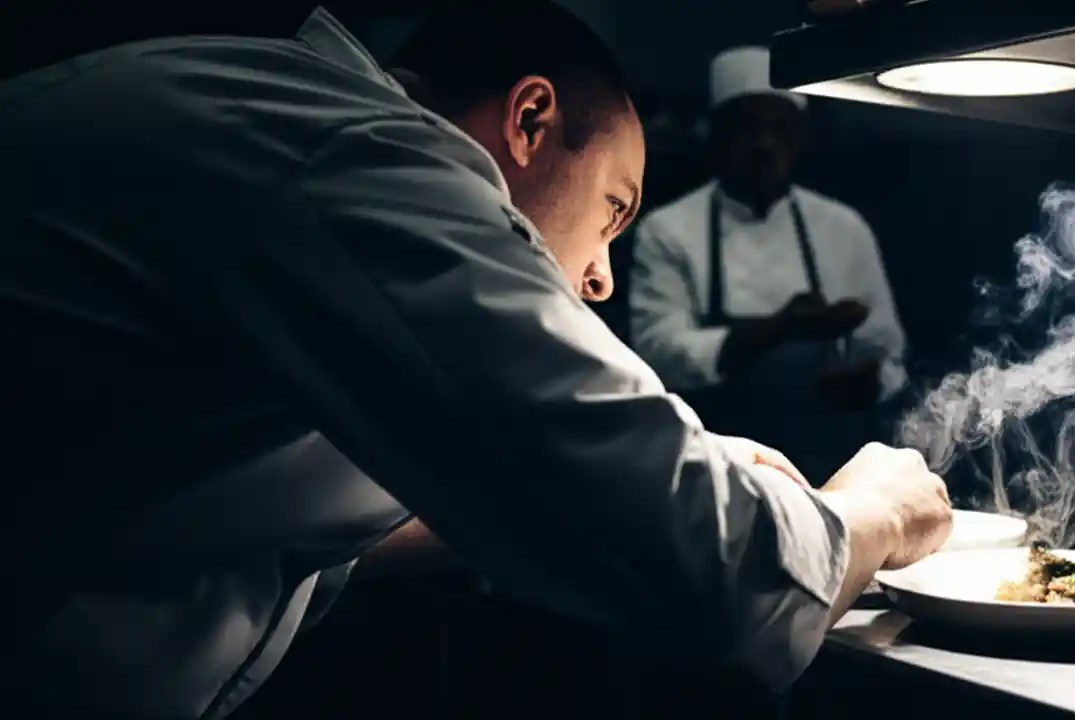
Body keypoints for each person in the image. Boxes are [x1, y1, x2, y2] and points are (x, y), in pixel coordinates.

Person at [2, 4, 951, 718]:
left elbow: (244, 492)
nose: (599, 278)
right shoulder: (364, 152)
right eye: (613, 212)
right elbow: (708, 577)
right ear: (529, 121)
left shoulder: (281, 131)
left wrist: (567, 491)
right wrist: (870, 511)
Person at [630, 46, 909, 483]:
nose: (764, 145)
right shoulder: (667, 229)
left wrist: (872, 382)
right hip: (714, 474)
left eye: (779, 129)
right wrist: (780, 328)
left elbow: (888, 352)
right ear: (716, 134)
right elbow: (658, 353)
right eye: (746, 129)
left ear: (800, 138)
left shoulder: (843, 227)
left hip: (831, 472)